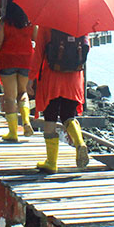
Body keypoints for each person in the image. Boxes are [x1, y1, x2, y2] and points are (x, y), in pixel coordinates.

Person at [28, 27, 91, 172]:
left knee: (50, 117)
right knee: (68, 115)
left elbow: (38, 53)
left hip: (52, 77)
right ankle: (80, 142)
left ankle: (51, 163)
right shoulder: (80, 23)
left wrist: (31, 78)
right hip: (74, 79)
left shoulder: (47, 24)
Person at [0, 0, 36, 141]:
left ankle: (13, 133)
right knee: (23, 92)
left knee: (10, 98)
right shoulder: (30, 21)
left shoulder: (4, 21)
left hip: (8, 60)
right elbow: (36, 39)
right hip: (26, 60)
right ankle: (26, 121)